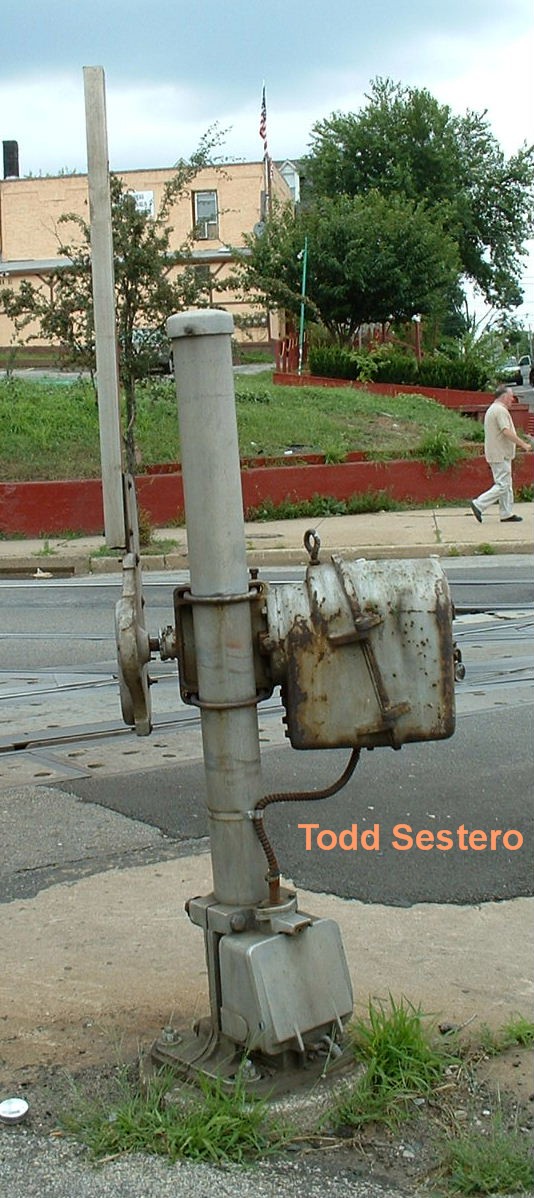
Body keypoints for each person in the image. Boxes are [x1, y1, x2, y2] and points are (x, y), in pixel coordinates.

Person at [470, 385, 531, 524]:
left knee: (506, 483)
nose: (512, 400)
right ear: (504, 397)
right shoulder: (499, 410)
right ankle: (479, 504)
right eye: (510, 397)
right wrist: (523, 444)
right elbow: (506, 431)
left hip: (499, 452)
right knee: (503, 484)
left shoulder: (494, 409)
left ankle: (506, 513)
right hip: (499, 453)